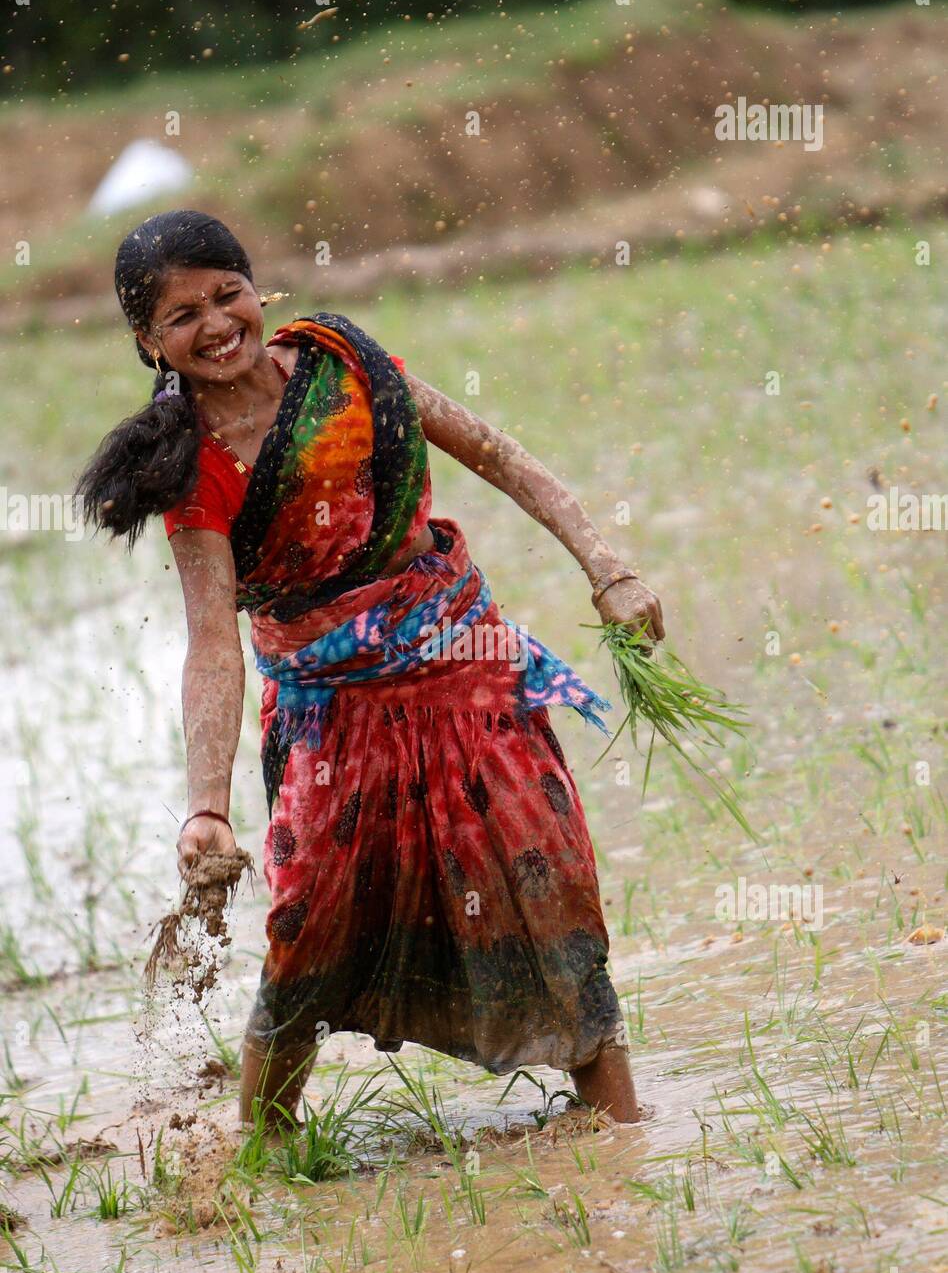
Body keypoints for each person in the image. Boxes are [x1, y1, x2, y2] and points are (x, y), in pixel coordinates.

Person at [75, 210, 664, 1130]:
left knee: (546, 885)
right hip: (330, 719)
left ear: (255, 288)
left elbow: (499, 456)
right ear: (149, 342)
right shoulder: (190, 468)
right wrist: (206, 807)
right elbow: (213, 643)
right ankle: (264, 1154)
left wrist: (608, 568)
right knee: (312, 925)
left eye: (227, 295)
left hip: (465, 672)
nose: (217, 324)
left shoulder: (344, 365)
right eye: (183, 316)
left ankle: (626, 1133)